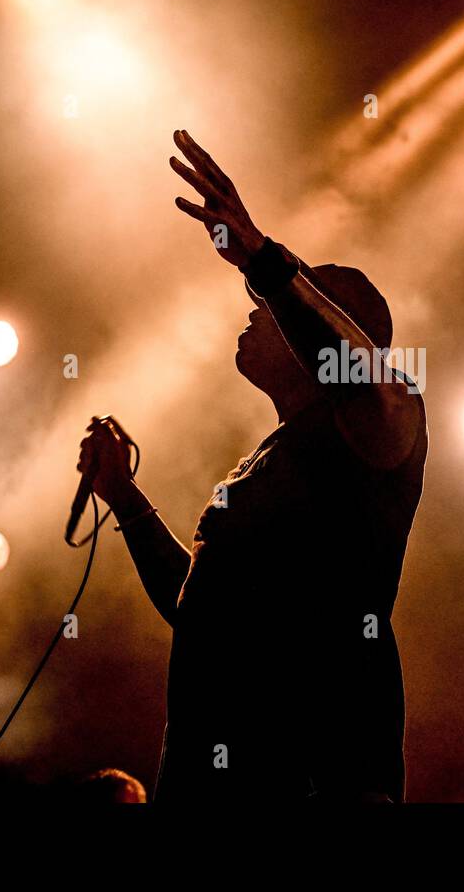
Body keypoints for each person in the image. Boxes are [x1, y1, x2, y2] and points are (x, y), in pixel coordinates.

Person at [77, 130, 427, 801]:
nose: (258, 305)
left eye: (288, 300)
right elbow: (202, 612)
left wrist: (266, 261)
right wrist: (124, 497)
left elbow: (367, 379)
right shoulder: (269, 462)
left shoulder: (383, 423)